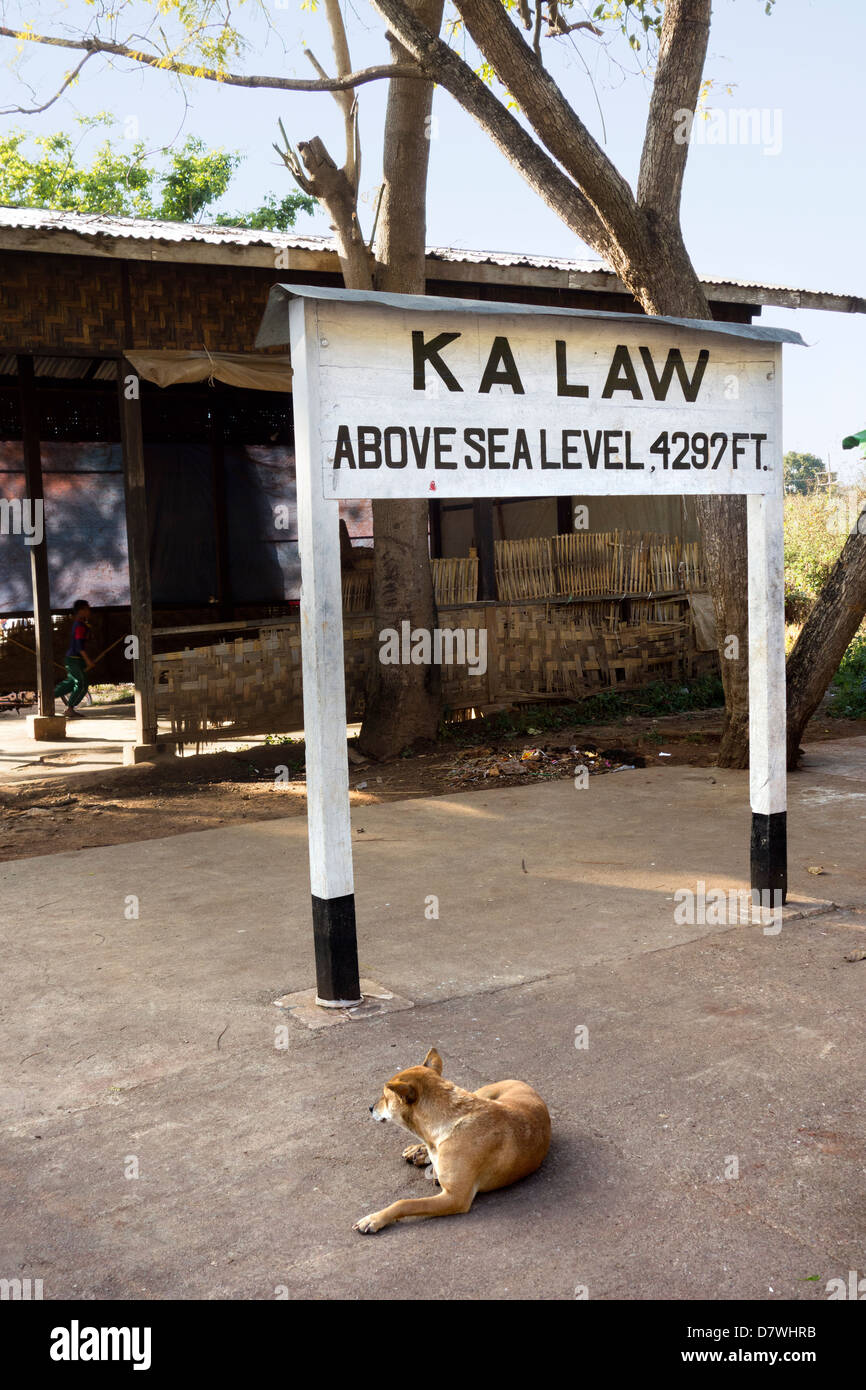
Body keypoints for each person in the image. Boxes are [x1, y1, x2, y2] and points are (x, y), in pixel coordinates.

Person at [54, 599, 94, 717]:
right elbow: (79, 646)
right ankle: (70, 709)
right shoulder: (79, 626)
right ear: (81, 610)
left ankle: (48, 695)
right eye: (87, 609)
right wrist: (88, 661)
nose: (89, 611)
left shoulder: (81, 625)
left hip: (74, 659)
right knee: (82, 683)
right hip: (74, 660)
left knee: (71, 683)